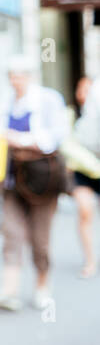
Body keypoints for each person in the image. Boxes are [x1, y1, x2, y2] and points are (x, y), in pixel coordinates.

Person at [0, 56, 69, 312]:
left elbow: (54, 138)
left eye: (18, 75)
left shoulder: (48, 100)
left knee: (40, 238)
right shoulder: (5, 101)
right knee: (11, 233)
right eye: (11, 75)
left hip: (42, 181)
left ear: (30, 76)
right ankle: (9, 290)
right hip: (12, 180)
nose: (14, 81)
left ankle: (42, 285)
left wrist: (18, 139)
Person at [64, 76, 100, 278]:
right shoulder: (72, 114)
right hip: (83, 171)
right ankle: (90, 260)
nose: (83, 93)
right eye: (81, 88)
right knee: (85, 211)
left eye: (88, 89)